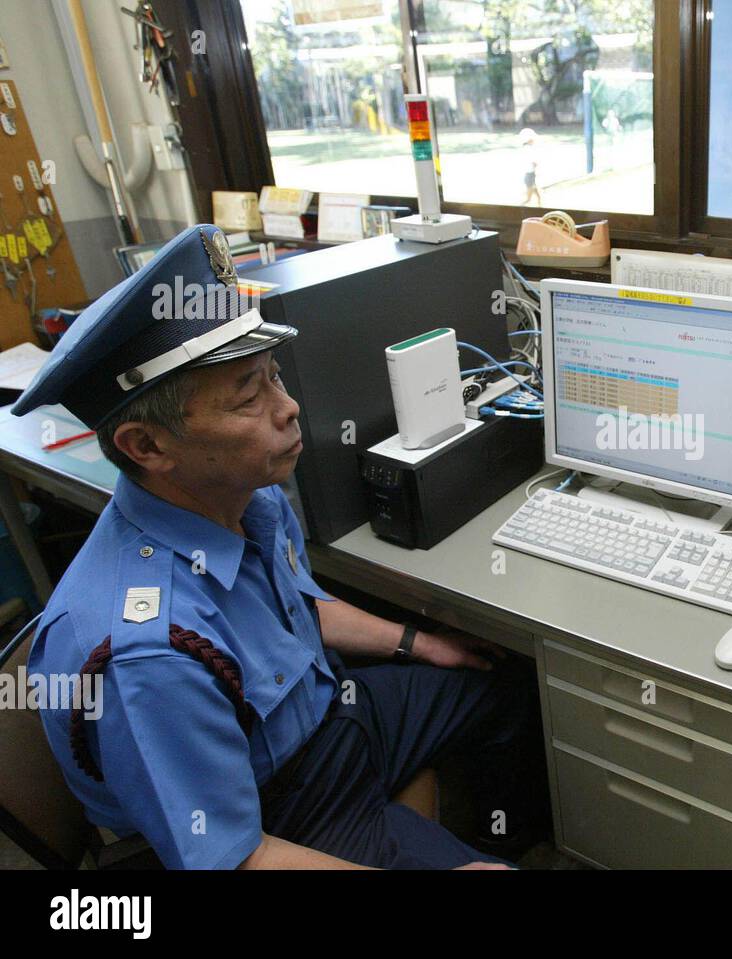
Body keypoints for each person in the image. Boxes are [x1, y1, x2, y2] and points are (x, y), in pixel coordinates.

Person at [14, 224, 546, 869]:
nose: (289, 407)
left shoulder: (245, 496)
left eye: (274, 377)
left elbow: (295, 609)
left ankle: (495, 836)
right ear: (147, 447)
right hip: (277, 811)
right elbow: (237, 860)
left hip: (325, 719)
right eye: (249, 396)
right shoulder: (147, 655)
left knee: (504, 681)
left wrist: (416, 642)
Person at [520, 128, 542, 206]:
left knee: (531, 186)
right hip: (529, 171)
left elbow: (533, 161)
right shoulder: (528, 148)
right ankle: (536, 200)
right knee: (531, 187)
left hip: (529, 172)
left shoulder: (527, 148)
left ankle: (533, 200)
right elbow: (533, 161)